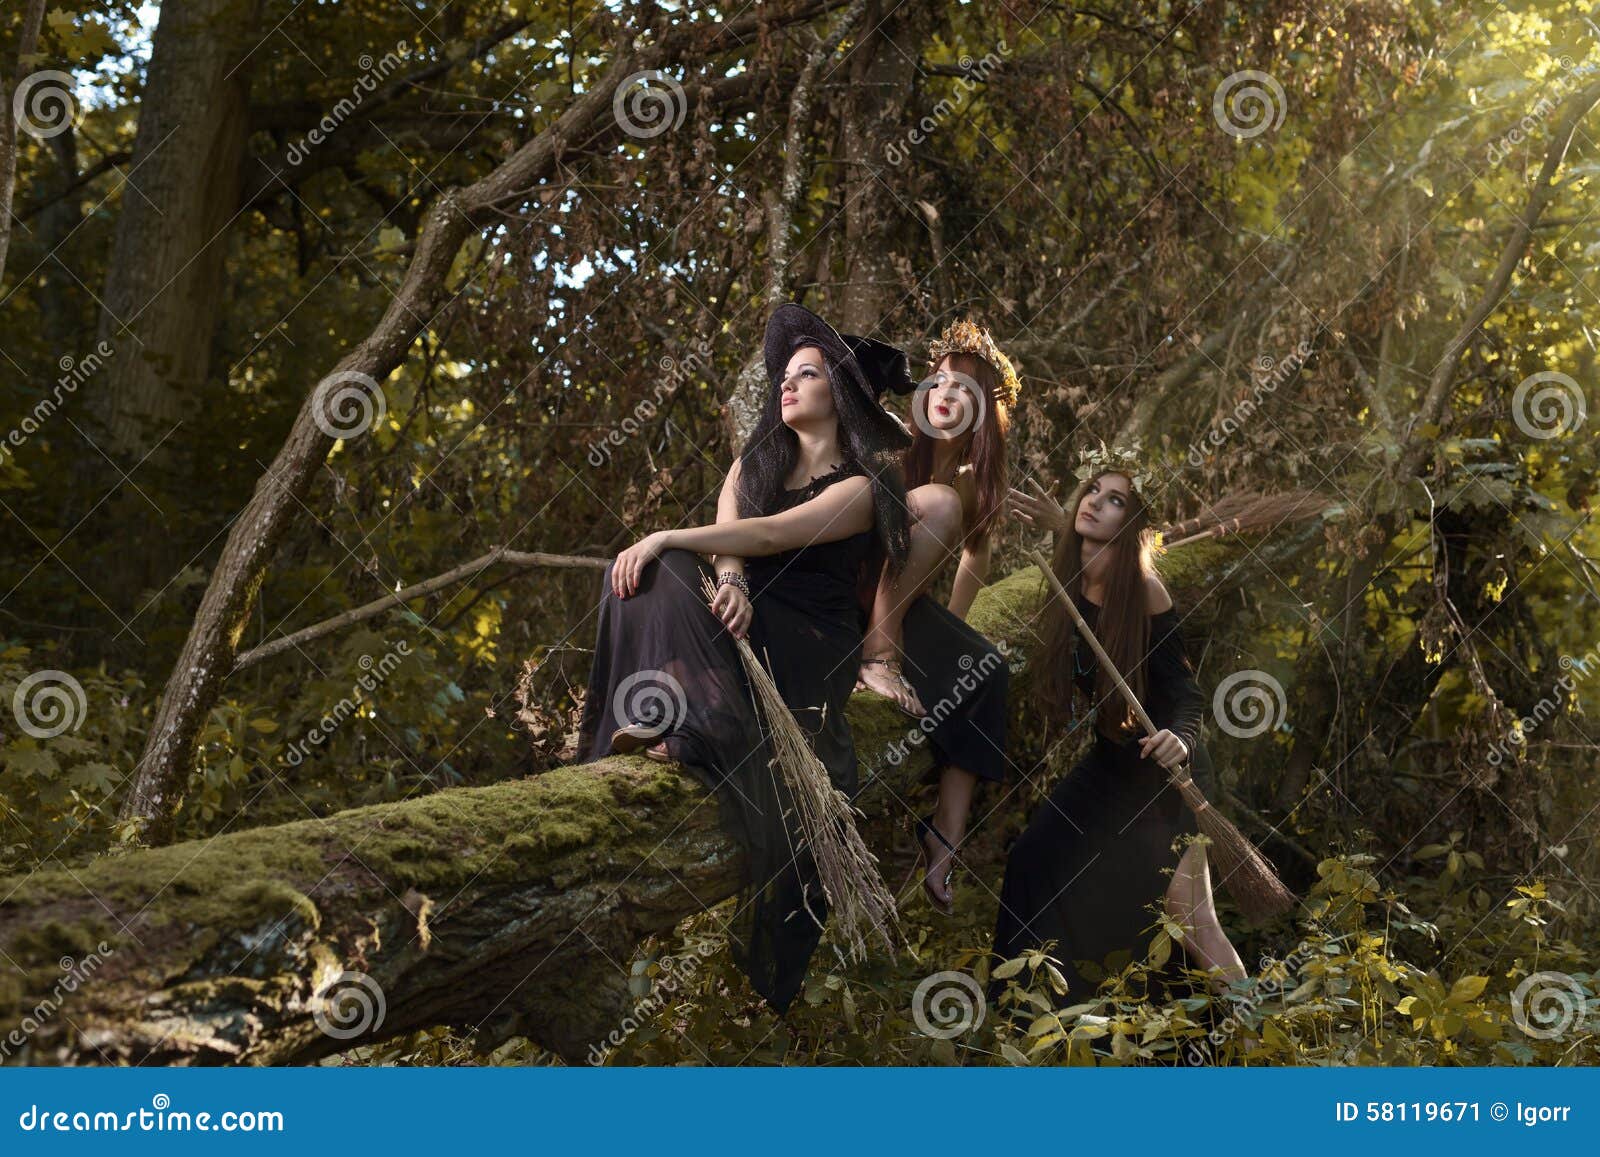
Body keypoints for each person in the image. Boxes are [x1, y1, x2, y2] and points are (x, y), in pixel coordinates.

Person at [576, 303, 911, 1013]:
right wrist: (726, 580)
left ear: (840, 394)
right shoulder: (753, 463)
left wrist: (672, 531)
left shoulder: (861, 485)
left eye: (807, 374)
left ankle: (703, 733)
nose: (786, 385)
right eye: (784, 375)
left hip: (810, 647)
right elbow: (733, 539)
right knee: (657, 575)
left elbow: (768, 535)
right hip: (751, 616)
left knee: (667, 552)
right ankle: (664, 717)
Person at [994, 461, 1246, 1005]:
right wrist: (1061, 521)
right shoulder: (1068, 577)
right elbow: (1082, 538)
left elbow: (1186, 693)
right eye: (1093, 490)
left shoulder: (1145, 591)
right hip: (1110, 767)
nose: (1095, 502)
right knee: (1033, 859)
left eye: (1116, 501)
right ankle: (1031, 1013)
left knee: (1191, 917)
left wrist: (1180, 736)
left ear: (1132, 523)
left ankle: (1265, 1044)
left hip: (1166, 776)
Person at [854, 319, 1016, 914]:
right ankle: (875, 657)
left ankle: (943, 838)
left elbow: (976, 550)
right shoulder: (891, 441)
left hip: (896, 604)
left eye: (964, 389)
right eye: (940, 381)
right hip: (846, 586)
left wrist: (954, 628)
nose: (946, 393)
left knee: (987, 671)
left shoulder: (970, 480)